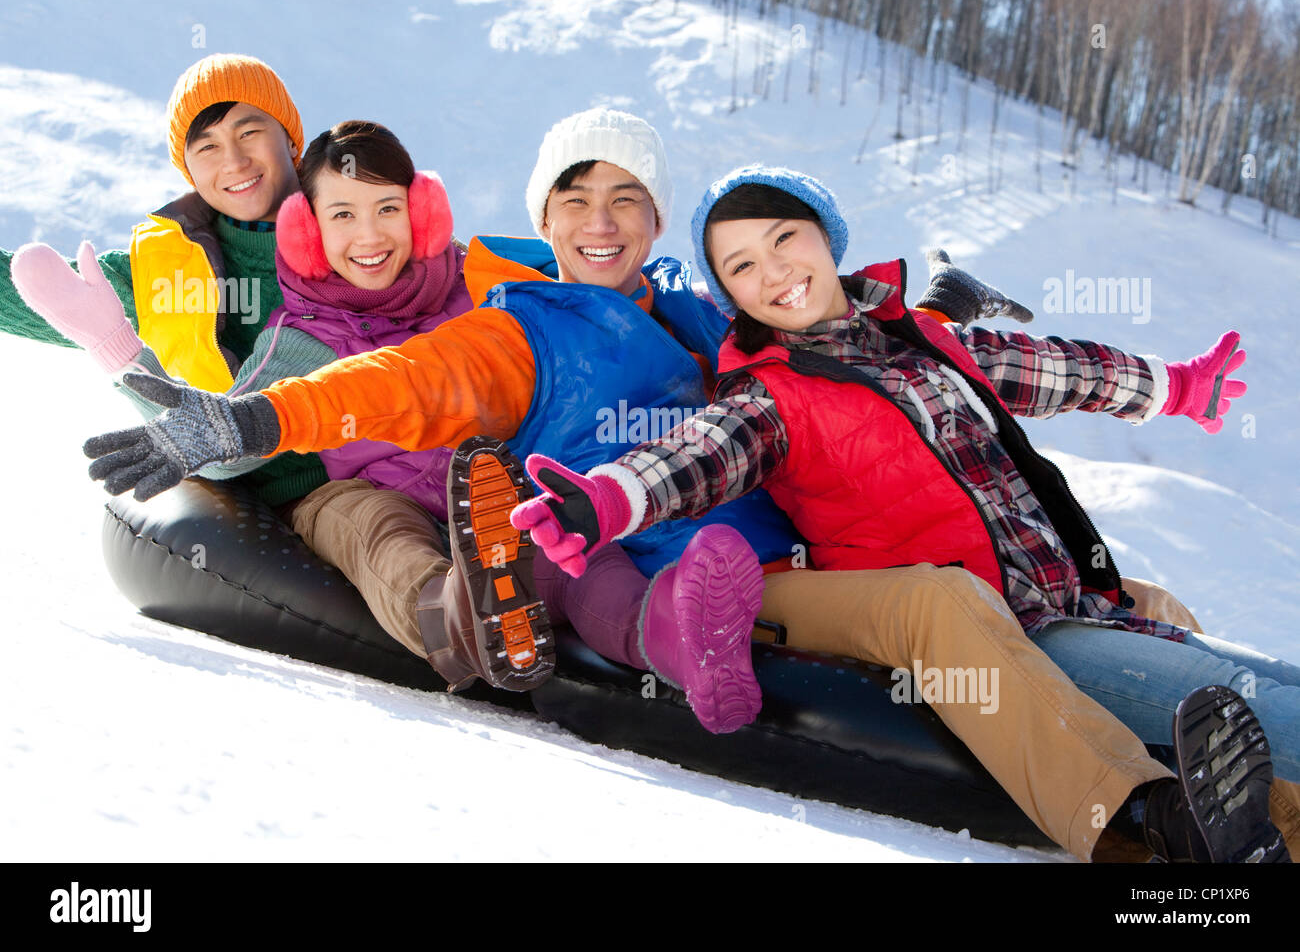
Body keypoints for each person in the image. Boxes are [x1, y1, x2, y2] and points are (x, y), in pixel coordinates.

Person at [74, 109, 1023, 727]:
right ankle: (470, 615)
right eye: (576, 202)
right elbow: (396, 381)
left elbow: (806, 315)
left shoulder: (660, 308)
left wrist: (933, 311)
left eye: (625, 201)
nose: (368, 237)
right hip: (480, 503)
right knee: (431, 533)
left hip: (710, 534)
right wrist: (245, 423)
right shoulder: (501, 323)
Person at [508, 164, 1300, 863]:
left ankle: (1266, 829)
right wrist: (603, 499)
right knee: (1267, 704)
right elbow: (695, 456)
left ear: (827, 239)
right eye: (744, 266)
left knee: (1196, 637)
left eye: (787, 238)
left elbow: (1058, 367)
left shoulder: (927, 343)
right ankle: (1147, 819)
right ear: (731, 295)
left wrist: (1173, 387)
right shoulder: (768, 395)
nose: (775, 270)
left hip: (1060, 598)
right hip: (987, 621)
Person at [6, 53, 323, 507]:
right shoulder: (171, 262)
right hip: (227, 493)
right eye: (207, 147)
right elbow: (56, 295)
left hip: (353, 484)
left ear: (291, 140)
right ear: (189, 171)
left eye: (249, 132)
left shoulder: (355, 228)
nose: (234, 160)